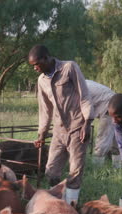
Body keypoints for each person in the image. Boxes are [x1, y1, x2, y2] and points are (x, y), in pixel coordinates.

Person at [30, 44, 93, 205]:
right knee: (51, 170)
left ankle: (72, 206)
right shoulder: (41, 80)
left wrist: (88, 122)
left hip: (77, 126)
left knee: (75, 170)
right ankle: (58, 201)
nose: (35, 68)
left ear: (46, 58)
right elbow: (45, 110)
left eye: (37, 64)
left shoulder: (68, 68)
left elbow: (84, 95)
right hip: (59, 129)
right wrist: (41, 134)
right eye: (33, 66)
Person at [84, 79, 122, 168]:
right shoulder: (84, 82)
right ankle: (117, 167)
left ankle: (96, 168)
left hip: (109, 107)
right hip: (114, 103)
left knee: (103, 138)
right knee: (115, 139)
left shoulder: (79, 87)